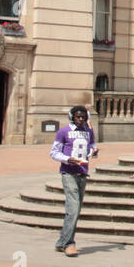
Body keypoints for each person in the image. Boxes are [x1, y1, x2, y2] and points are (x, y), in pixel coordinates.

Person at [50, 105, 98, 256]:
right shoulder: (63, 132)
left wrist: (94, 152)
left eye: (83, 117)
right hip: (68, 173)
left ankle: (61, 242)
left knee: (74, 211)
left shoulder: (88, 132)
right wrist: (67, 159)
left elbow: (91, 149)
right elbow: (54, 153)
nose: (81, 119)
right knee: (73, 208)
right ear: (72, 117)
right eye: (78, 117)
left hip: (83, 174)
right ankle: (69, 244)